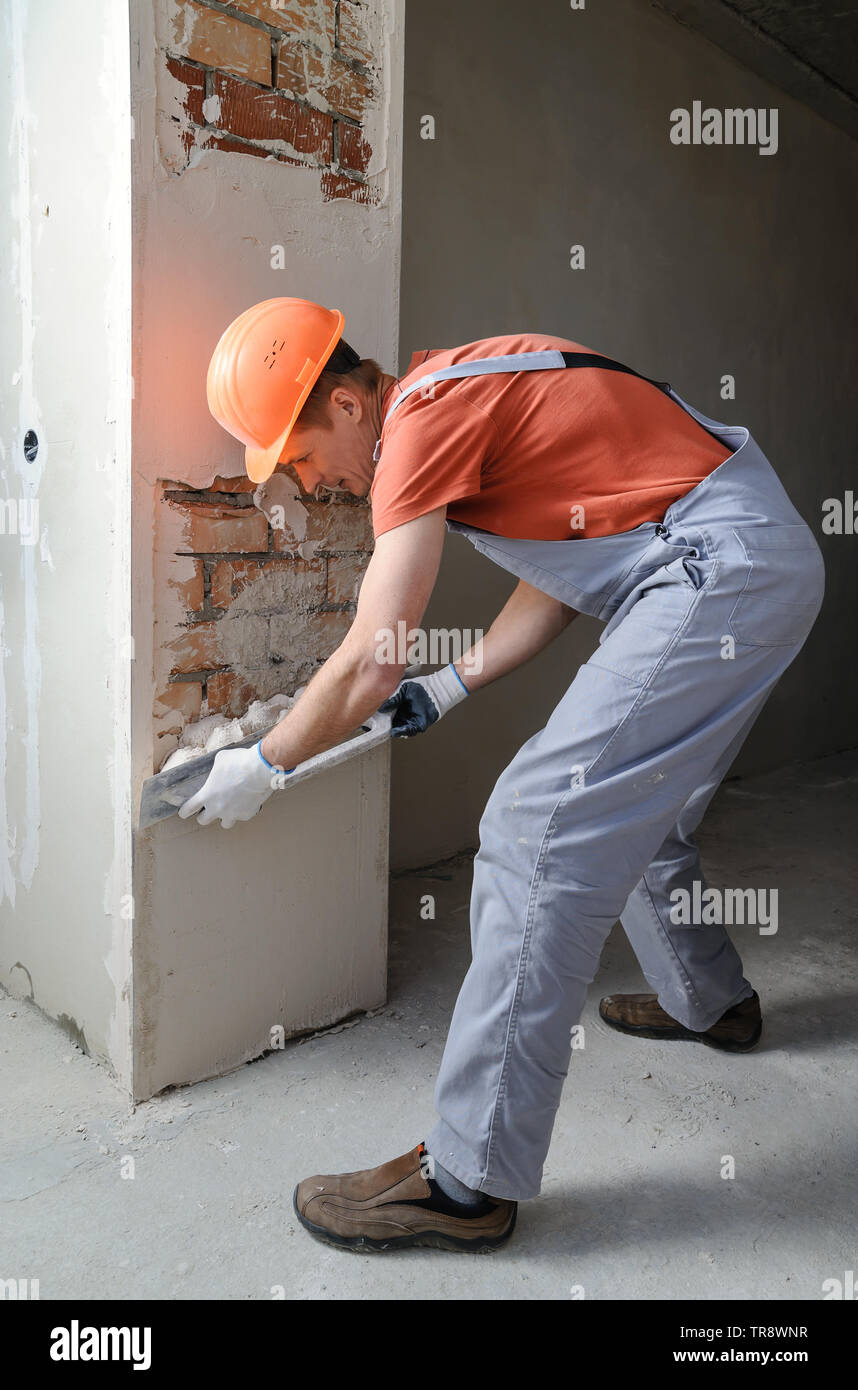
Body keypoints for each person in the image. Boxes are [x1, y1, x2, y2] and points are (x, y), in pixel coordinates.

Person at [183, 297, 825, 1252]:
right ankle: (713, 1002)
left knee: (538, 829)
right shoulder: (464, 397)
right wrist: (451, 686)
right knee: (644, 807)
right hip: (751, 561)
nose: (309, 481)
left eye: (301, 454)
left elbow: (371, 658)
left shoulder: (420, 422)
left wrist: (265, 763)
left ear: (350, 405)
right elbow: (567, 576)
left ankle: (467, 1181)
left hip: (715, 568)